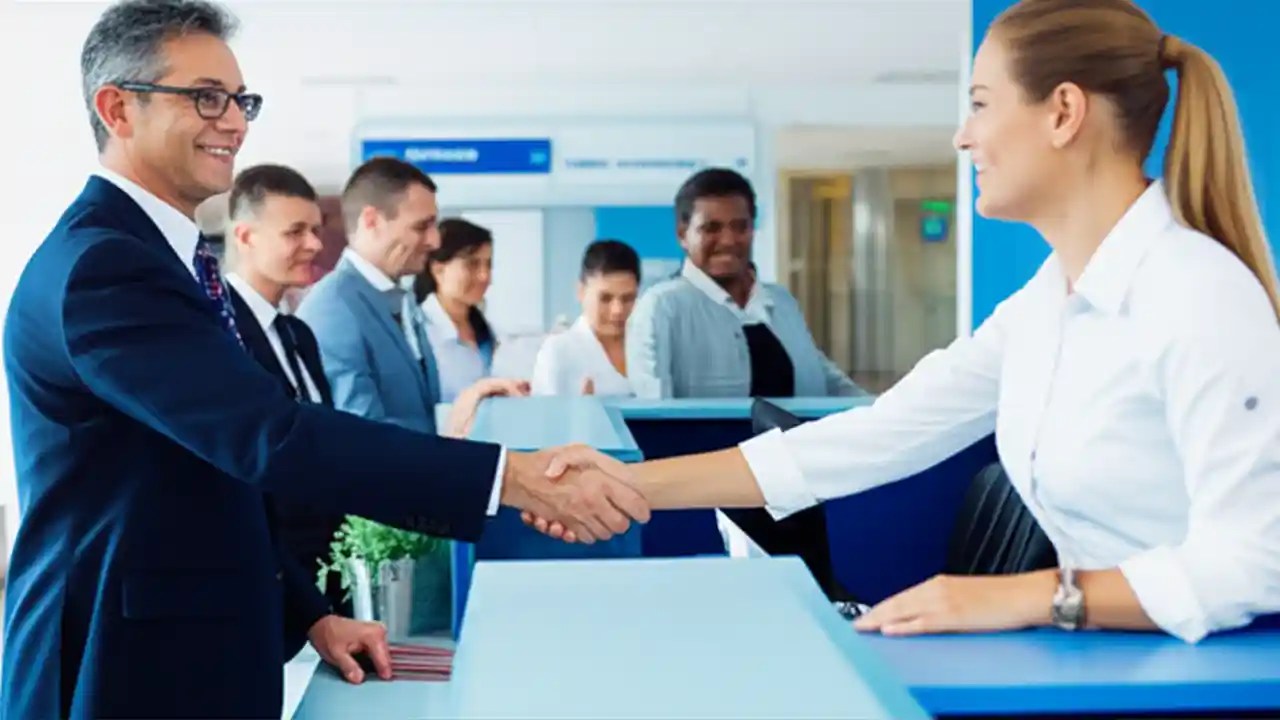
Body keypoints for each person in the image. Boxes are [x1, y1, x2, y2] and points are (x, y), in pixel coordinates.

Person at [532, 0, 1280, 645]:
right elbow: (880, 433)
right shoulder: (1048, 304)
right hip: (1113, 666)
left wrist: (1026, 595)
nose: (963, 136)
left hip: (1217, 681)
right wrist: (631, 482)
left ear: (1062, 112)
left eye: (982, 103)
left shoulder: (1199, 296)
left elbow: (1259, 558)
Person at [0, 2, 645, 717]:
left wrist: (307, 614)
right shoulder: (104, 266)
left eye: (242, 100)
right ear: (118, 108)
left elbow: (218, 480)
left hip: (193, 646)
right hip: (119, 666)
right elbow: (270, 437)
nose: (237, 124)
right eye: (207, 98)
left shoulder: (165, 259)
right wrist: (512, 477)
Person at [297, 160, 523, 438]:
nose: (434, 241)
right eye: (421, 227)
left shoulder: (399, 300)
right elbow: (360, 435)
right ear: (372, 221)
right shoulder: (333, 308)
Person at [222, 162, 350, 616]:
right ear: (245, 236)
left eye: (316, 230)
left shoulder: (298, 334)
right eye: (295, 232)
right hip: (262, 586)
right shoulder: (218, 335)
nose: (314, 245)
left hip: (325, 579)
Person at [625, 167, 864, 400]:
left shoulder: (779, 302)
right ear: (682, 235)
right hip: (714, 442)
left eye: (740, 227)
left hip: (790, 440)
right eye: (711, 228)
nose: (728, 241)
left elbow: (825, 380)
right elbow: (654, 412)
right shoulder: (662, 307)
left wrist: (883, 412)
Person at [531, 239, 641, 397]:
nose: (617, 310)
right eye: (605, 298)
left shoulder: (647, 345)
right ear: (581, 291)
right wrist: (581, 412)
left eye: (627, 298)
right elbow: (545, 418)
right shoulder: (558, 352)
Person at [413, 217, 498, 402]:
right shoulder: (418, 331)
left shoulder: (484, 330)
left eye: (488, 264)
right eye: (472, 264)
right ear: (438, 270)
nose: (485, 276)